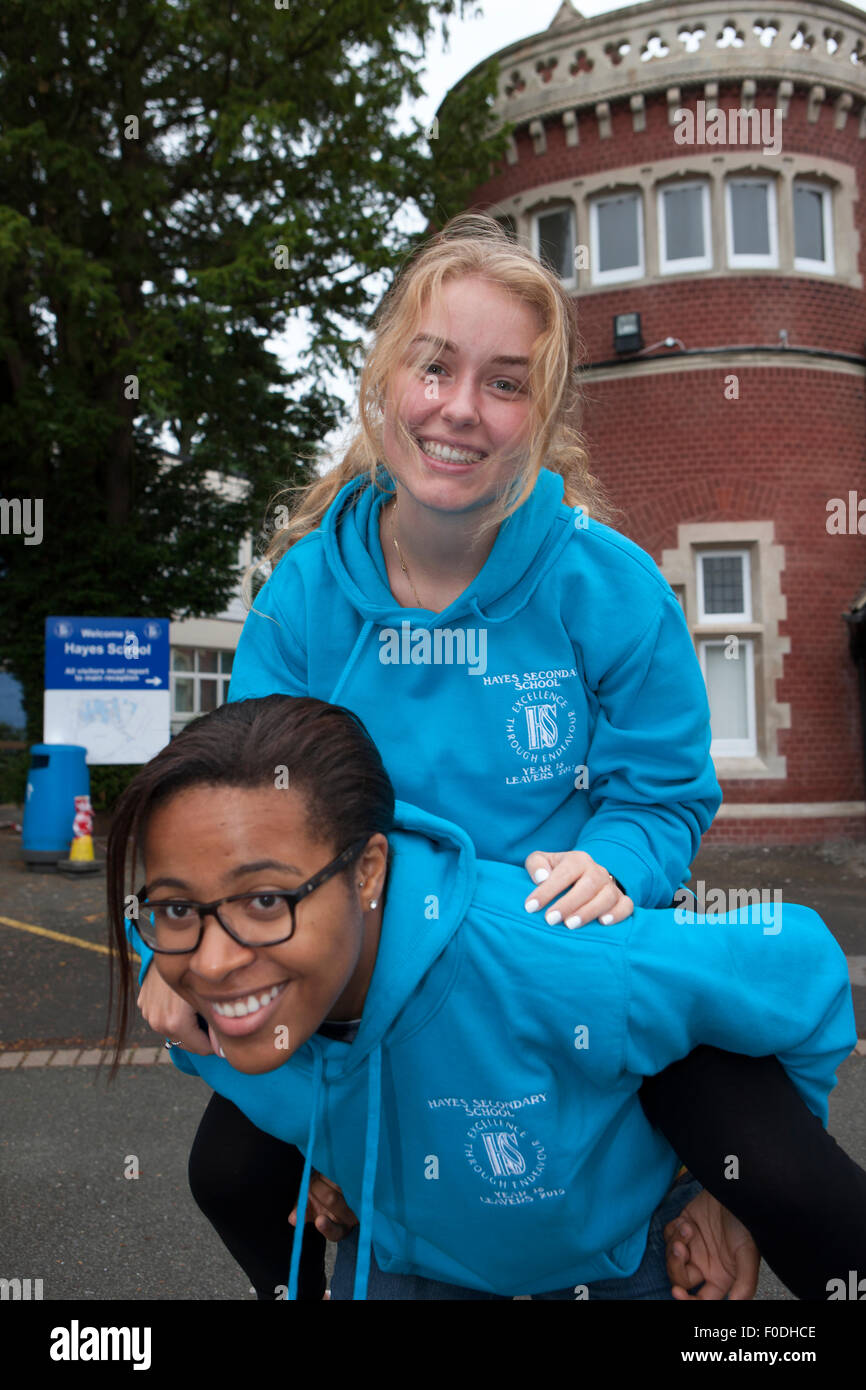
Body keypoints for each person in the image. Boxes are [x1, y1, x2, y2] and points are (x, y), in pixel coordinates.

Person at [132, 212, 866, 1300]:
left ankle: (675, 1193)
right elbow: (238, 828)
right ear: (384, 380)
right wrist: (180, 955)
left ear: (541, 414)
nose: (461, 409)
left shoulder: (605, 584)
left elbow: (662, 793)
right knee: (230, 1174)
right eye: (433, 367)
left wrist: (615, 862)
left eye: (506, 382)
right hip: (369, 978)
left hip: (565, 963)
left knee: (796, 1189)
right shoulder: (300, 605)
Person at [107, 695, 857, 1301]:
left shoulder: (559, 956)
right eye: (176, 910)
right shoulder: (212, 1017)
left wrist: (737, 1193)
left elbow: (799, 966)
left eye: (267, 900)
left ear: (368, 873)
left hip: (612, 1269)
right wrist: (337, 1166)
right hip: (403, 1264)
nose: (213, 960)